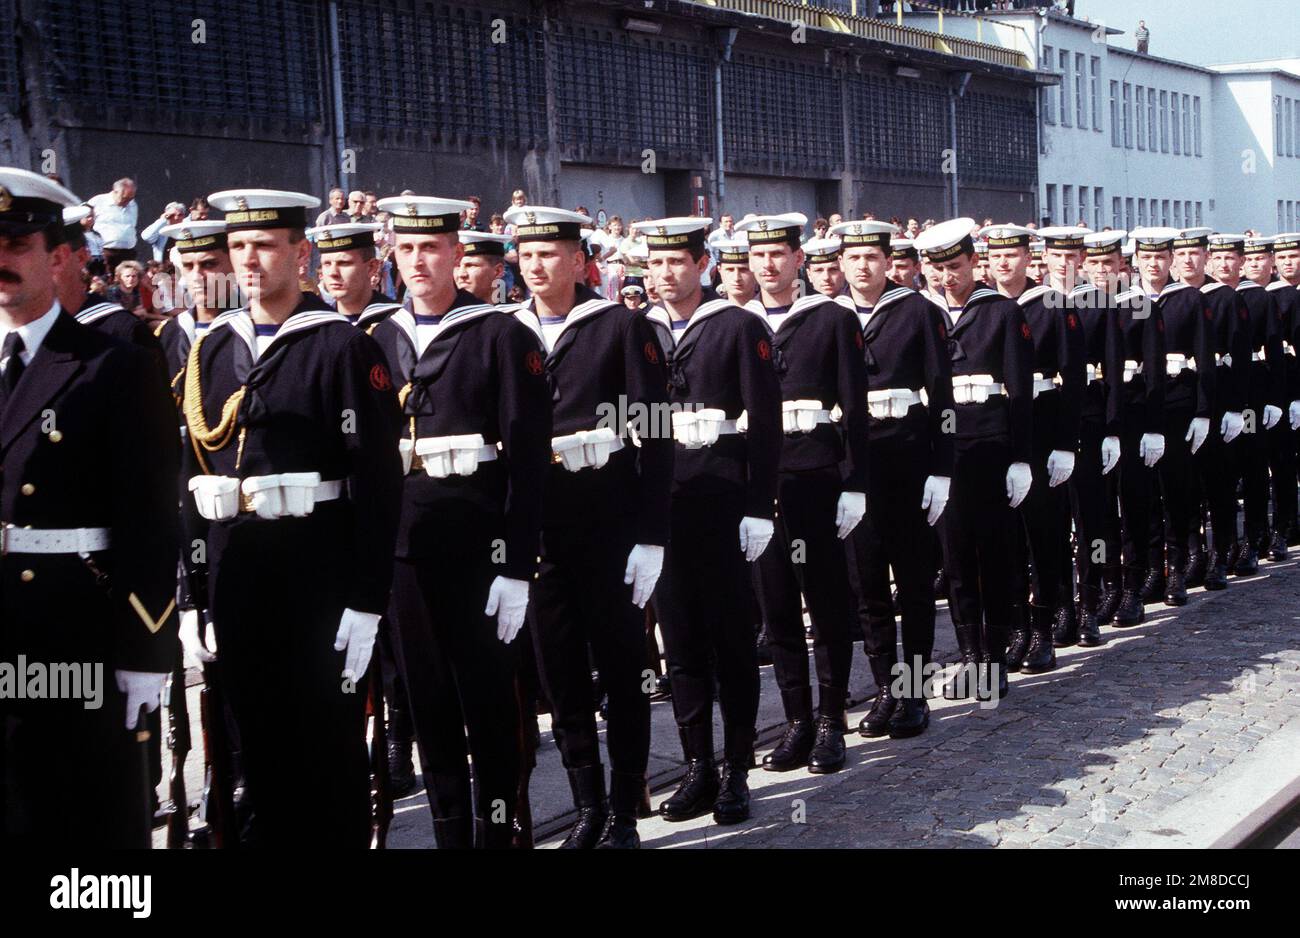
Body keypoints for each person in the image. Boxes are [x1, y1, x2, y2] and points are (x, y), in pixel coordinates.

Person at [180, 187, 403, 846]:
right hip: (238, 571)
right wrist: (193, 593)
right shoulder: (214, 349)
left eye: (265, 245)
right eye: (238, 246)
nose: (248, 260)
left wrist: (367, 599)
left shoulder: (339, 346)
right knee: (257, 746)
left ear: (300, 253)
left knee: (328, 752)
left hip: (317, 576)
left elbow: (377, 478)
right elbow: (191, 474)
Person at [0, 167, 179, 848]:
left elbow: (151, 516)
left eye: (17, 244)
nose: (1, 261)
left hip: (71, 624)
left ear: (59, 256)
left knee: (78, 808)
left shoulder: (112, 365)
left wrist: (146, 647)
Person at [369, 195, 551, 849]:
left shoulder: (500, 336)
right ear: (393, 254)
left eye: (432, 247)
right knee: (429, 704)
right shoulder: (378, 337)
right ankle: (450, 833)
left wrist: (516, 566)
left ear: (456, 254)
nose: (419, 260)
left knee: (489, 703)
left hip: (479, 547)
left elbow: (529, 463)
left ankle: (502, 833)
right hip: (405, 548)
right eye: (407, 248)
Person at [635, 216, 781, 825]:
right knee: (682, 643)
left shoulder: (739, 327)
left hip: (721, 497)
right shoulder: (638, 331)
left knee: (729, 640)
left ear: (702, 264)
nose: (666, 275)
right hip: (662, 506)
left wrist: (759, 506)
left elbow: (765, 423)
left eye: (677, 262)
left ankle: (738, 769)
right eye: (656, 264)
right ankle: (698, 766)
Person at [736, 211, 868, 774]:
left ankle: (833, 719)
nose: (768, 264)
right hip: (761, 482)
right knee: (777, 607)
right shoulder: (736, 323)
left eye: (778, 253)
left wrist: (855, 480)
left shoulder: (832, 318)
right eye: (758, 255)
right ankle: (797, 720)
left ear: (799, 259)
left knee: (827, 601)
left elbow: (856, 405)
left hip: (816, 473)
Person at [831, 218, 953, 738]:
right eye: (853, 258)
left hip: (906, 457)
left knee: (914, 581)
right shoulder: (827, 317)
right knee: (867, 585)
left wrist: (941, 469)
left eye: (872, 257)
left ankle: (914, 690)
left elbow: (943, 396)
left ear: (888, 261)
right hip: (851, 464)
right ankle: (885, 689)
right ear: (840, 265)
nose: (863, 266)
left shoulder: (918, 312)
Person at [915, 217, 1034, 701]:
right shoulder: (921, 314)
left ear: (973, 263)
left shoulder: (1001, 312)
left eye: (956, 266)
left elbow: (1021, 392)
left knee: (994, 554)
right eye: (938, 268)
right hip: (942, 453)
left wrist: (1022, 457)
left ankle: (997, 653)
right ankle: (970, 657)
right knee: (956, 557)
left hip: (989, 445)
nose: (947, 277)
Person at [984, 224, 1086, 671]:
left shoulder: (1053, 306)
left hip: (1043, 426)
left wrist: (1066, 443)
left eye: (1013, 255)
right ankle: (1016, 625)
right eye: (996, 257)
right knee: (1005, 538)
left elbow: (1075, 379)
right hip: (997, 428)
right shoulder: (984, 308)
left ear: (1031, 258)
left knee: (1044, 530)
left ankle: (1048, 620)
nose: (1004, 264)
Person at [306, 222, 400, 327]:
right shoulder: (318, 324)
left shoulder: (396, 322)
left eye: (343, 263)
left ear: (371, 267)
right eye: (327, 264)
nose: (333, 273)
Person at [89, 177, 139, 274]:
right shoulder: (98, 201)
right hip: (106, 252)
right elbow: (83, 220)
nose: (127, 202)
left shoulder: (133, 204)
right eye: (125, 198)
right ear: (115, 191)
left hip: (128, 253)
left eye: (131, 198)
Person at [455, 230, 511, 304]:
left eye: (470, 265)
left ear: (498, 271)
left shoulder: (515, 314)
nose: (461, 274)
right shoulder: (445, 314)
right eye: (457, 266)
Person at [713, 238, 758, 306]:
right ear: (719, 270)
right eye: (730, 270)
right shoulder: (712, 312)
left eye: (743, 270)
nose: (736, 278)